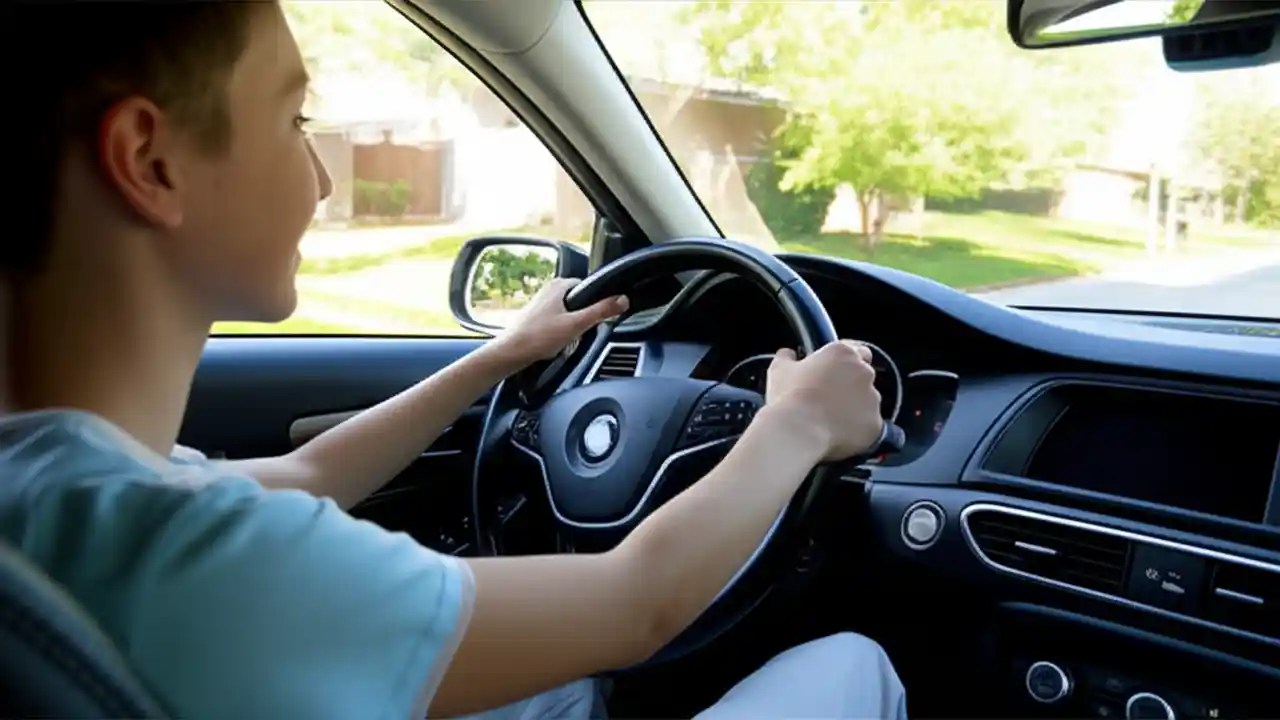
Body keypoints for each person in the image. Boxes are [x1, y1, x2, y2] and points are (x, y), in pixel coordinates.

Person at [0, 2, 907, 719]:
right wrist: (799, 421)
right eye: (294, 118)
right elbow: (639, 603)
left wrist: (501, 356)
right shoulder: (203, 565)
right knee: (853, 665)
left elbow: (307, 473)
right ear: (150, 162)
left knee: (558, 691)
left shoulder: (61, 486)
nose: (320, 178)